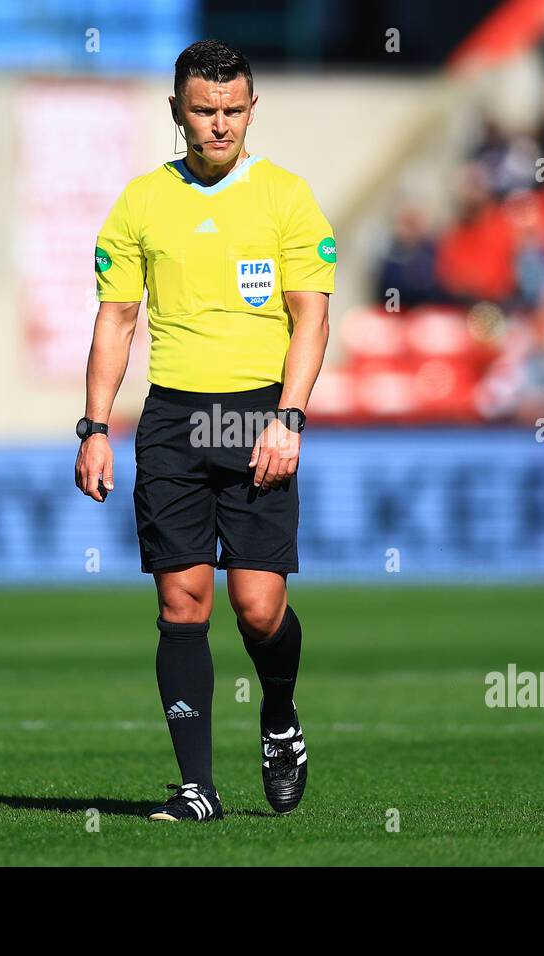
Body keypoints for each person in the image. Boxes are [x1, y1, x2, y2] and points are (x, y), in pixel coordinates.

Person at [74, 39, 336, 821]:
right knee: (183, 604)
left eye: (232, 110)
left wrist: (289, 416)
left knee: (258, 608)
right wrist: (92, 426)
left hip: (258, 412)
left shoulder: (288, 197)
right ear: (175, 111)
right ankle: (197, 789)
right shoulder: (141, 204)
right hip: (174, 420)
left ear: (252, 108)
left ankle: (281, 716)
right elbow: (116, 320)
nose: (218, 125)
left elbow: (313, 317)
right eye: (203, 110)